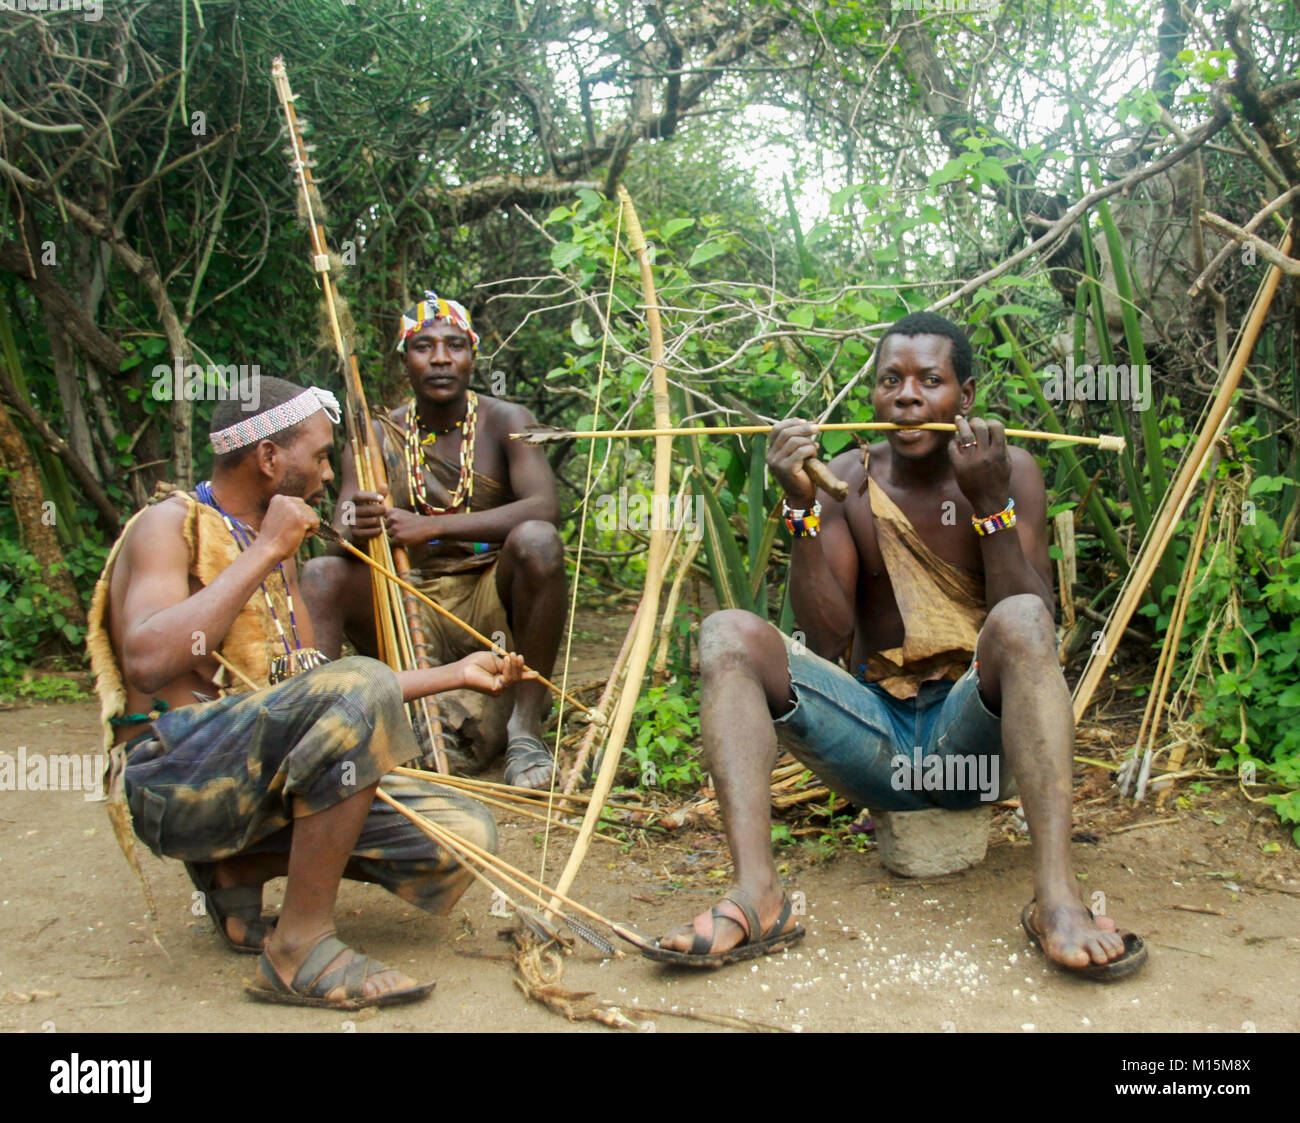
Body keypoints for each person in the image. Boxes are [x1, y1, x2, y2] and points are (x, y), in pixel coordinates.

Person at [650, 311, 1147, 980]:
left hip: (977, 737)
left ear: (965, 397)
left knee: (1024, 617)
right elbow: (825, 639)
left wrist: (990, 504)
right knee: (725, 633)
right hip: (874, 739)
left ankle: (1056, 898)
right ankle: (757, 894)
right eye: (891, 380)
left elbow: (1034, 630)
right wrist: (801, 509)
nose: (907, 396)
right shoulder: (846, 480)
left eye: (930, 380)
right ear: (874, 394)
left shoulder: (1011, 469)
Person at [88, 376, 534, 1010]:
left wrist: (456, 675)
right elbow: (149, 660)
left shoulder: (279, 548)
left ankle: (233, 871)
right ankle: (300, 947)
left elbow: (310, 693)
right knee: (357, 682)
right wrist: (267, 548)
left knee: (462, 835)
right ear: (270, 459)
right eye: (322, 456)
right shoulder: (167, 526)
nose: (330, 475)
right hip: (173, 775)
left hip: (254, 773)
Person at [302, 292, 565, 791]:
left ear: (472, 355)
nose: (440, 358)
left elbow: (543, 507)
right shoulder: (376, 436)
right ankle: (321, 731)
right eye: (424, 346)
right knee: (320, 573)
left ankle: (526, 729)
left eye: (454, 346)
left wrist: (433, 526)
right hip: (403, 602)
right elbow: (340, 527)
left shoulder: (508, 420)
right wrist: (356, 525)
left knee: (539, 541)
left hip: (488, 599)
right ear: (405, 361)